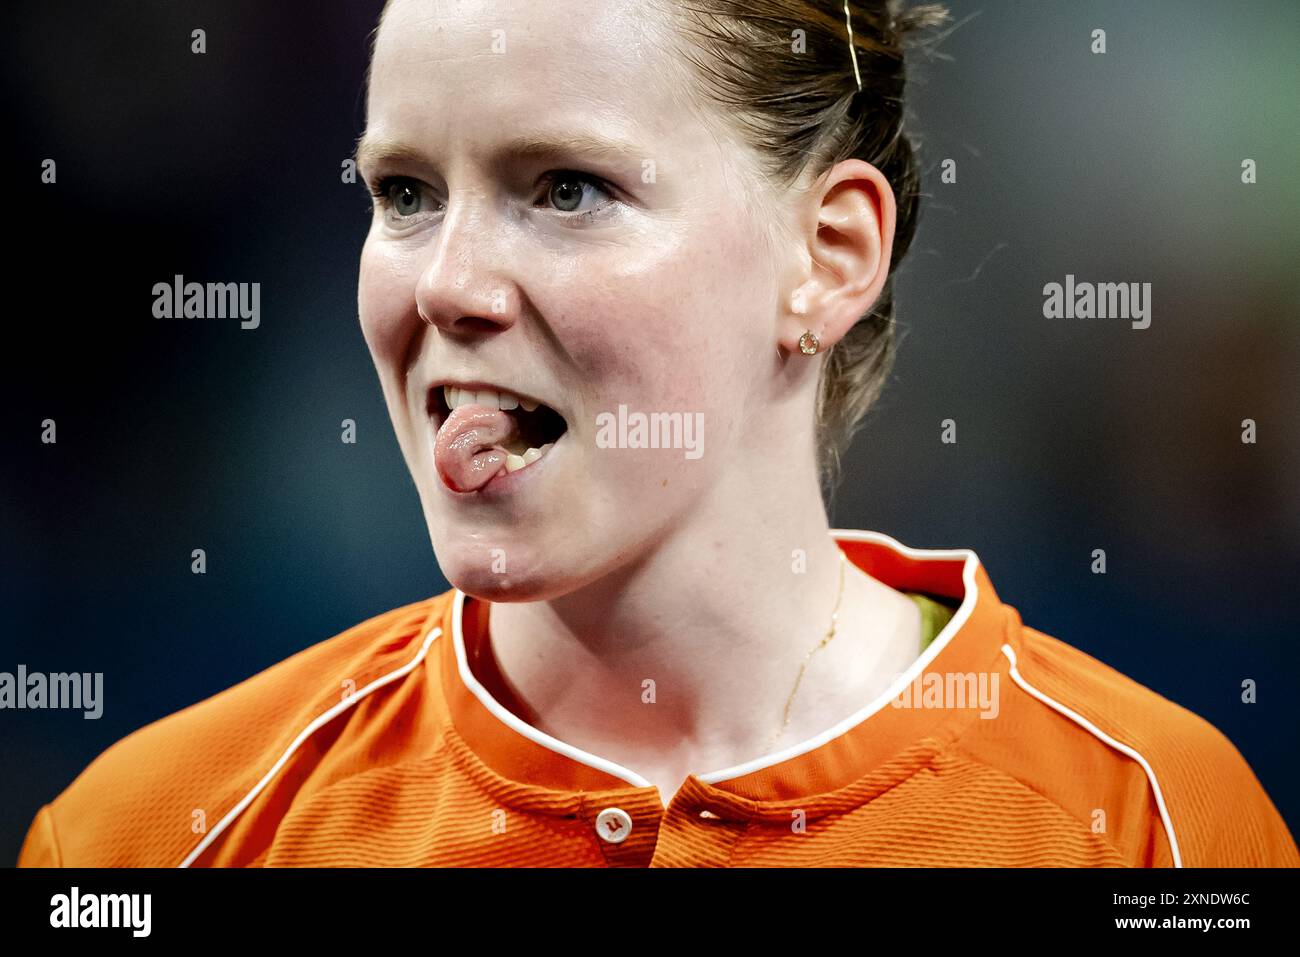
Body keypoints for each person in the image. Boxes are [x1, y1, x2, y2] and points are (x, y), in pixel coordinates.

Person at [18, 0, 1298, 868]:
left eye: (565, 188)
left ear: (828, 255)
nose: (444, 283)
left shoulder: (1154, 825)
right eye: (403, 193)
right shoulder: (148, 838)